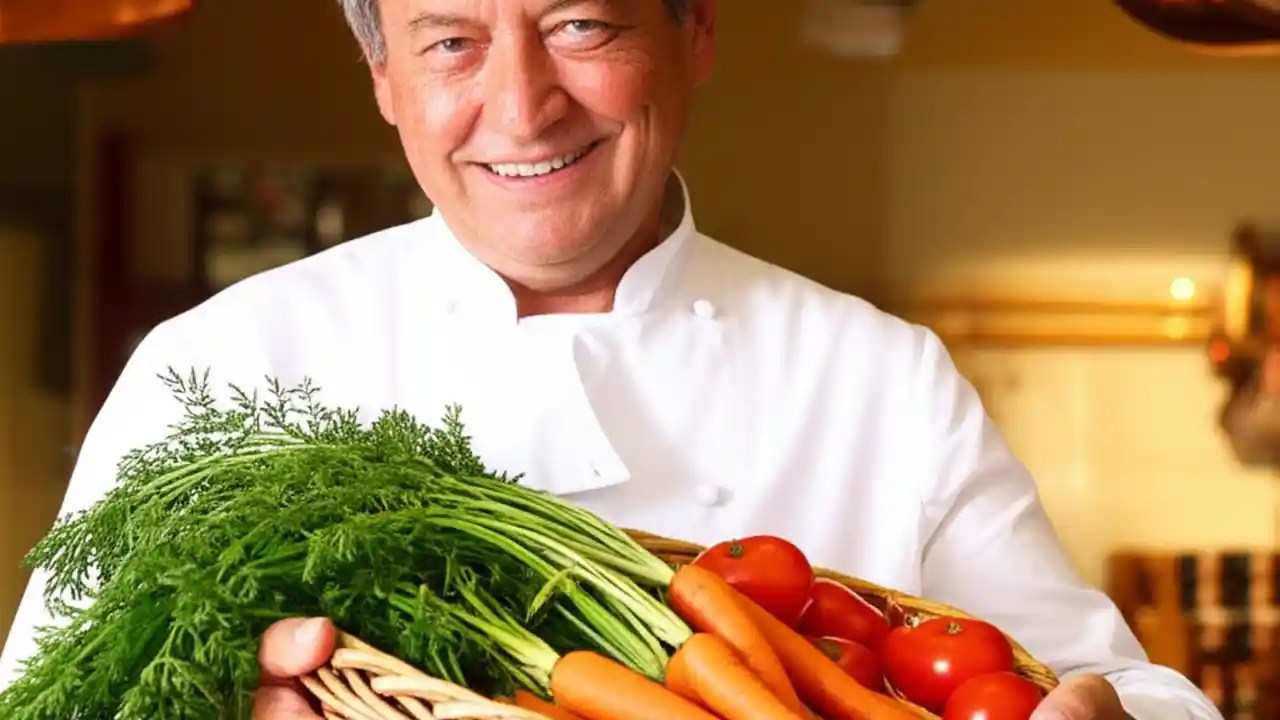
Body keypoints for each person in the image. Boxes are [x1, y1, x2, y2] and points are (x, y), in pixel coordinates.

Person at [0, 1, 1222, 719]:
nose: (523, 108)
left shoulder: (877, 376)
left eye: (580, 23)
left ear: (693, 31)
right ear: (383, 80)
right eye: (449, 42)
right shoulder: (221, 357)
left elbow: (1109, 691)